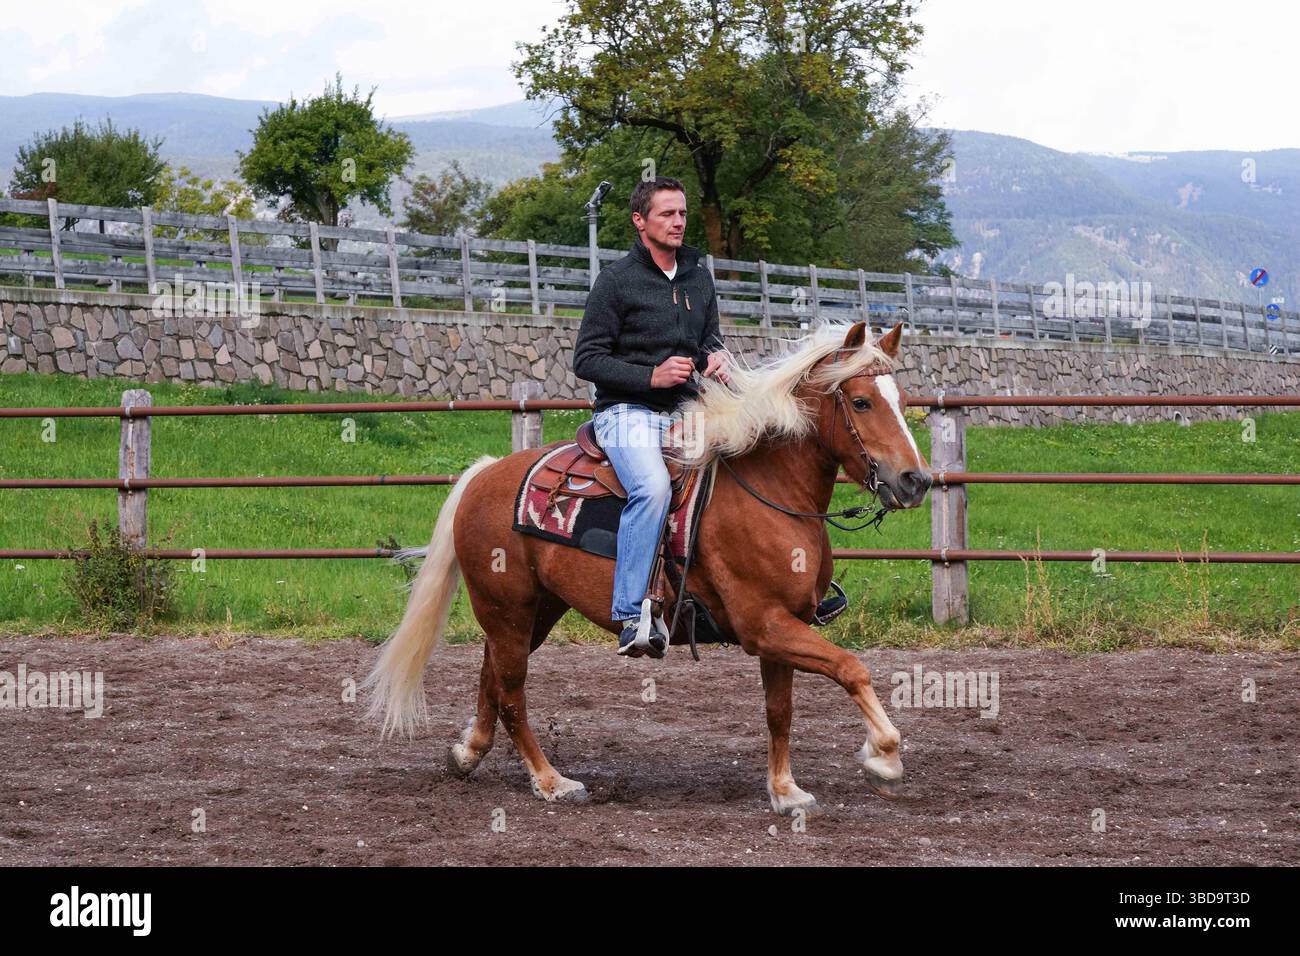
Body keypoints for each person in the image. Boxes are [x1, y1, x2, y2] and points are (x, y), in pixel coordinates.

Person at [573, 176, 729, 659]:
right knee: (653, 487)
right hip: (626, 412)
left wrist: (714, 359)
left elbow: (710, 342)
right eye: (667, 214)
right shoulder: (616, 281)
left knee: (750, 467)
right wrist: (650, 377)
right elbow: (587, 360)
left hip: (688, 410)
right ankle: (632, 613)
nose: (679, 222)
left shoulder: (699, 277)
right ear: (640, 222)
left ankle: (762, 595)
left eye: (682, 213)